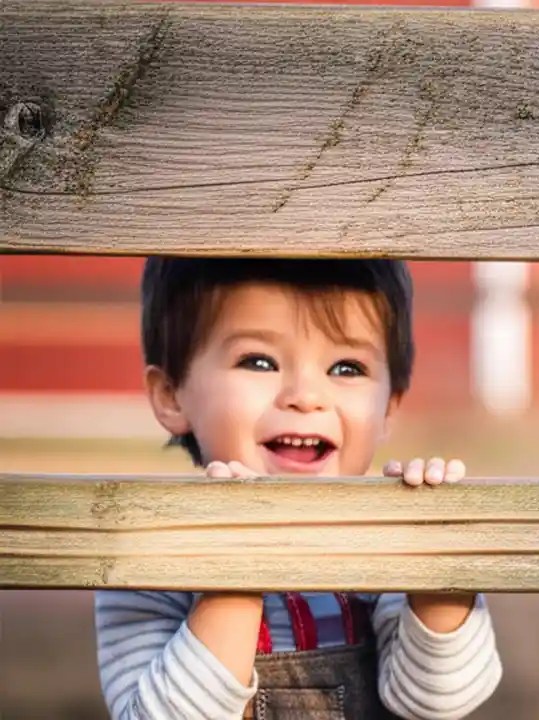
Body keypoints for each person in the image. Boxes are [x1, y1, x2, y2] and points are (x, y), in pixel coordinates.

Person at [94, 258, 502, 719]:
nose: (306, 396)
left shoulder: (387, 537)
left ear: (389, 407)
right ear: (171, 395)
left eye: (347, 368)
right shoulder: (148, 563)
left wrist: (435, 565)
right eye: (259, 361)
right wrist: (236, 567)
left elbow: (438, 703)